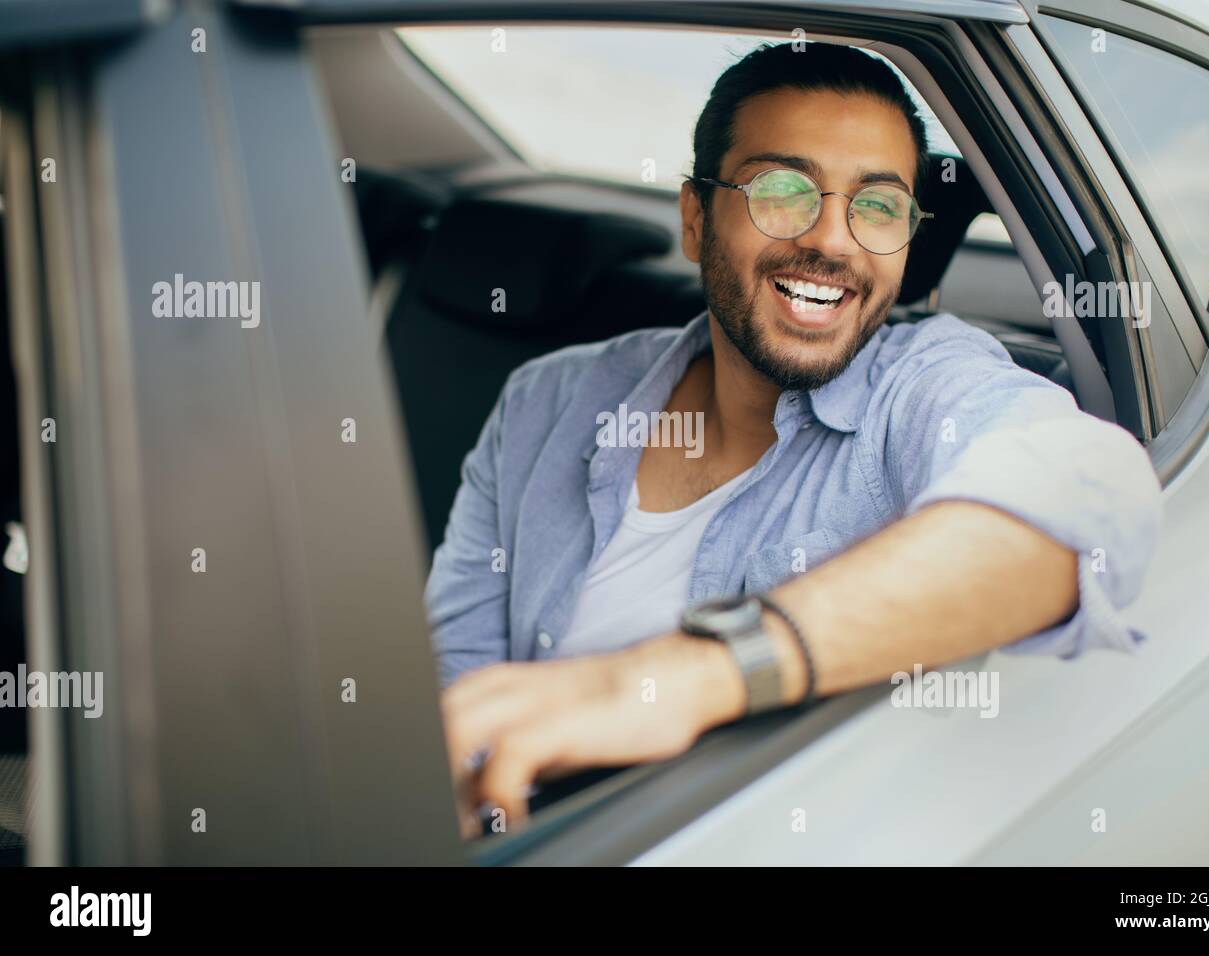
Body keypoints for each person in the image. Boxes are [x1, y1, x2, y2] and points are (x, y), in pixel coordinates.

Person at [425, 42, 1161, 834]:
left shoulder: (923, 386)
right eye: (784, 190)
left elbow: (1092, 497)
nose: (835, 242)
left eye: (877, 206)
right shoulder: (550, 398)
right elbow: (453, 678)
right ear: (696, 219)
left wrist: (692, 672)